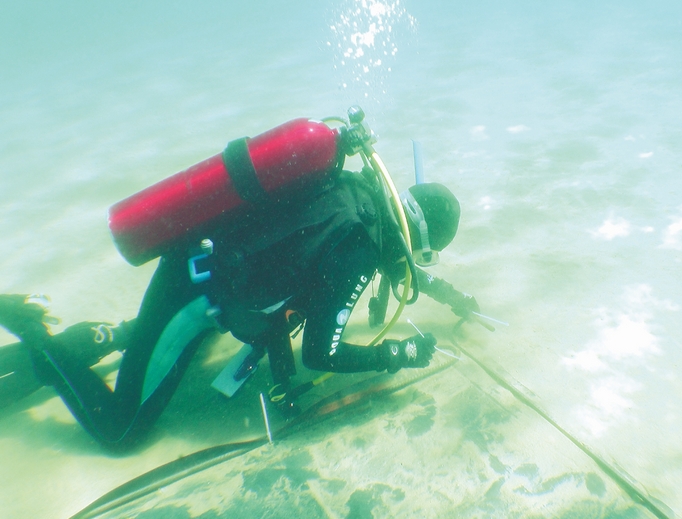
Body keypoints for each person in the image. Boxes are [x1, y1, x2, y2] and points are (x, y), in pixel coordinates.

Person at [0, 113, 479, 449]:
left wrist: (283, 374)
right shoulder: (359, 247)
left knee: (151, 344)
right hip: (195, 298)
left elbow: (288, 282)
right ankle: (32, 327)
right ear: (419, 242)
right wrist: (399, 355)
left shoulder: (354, 192)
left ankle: (116, 337)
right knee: (120, 431)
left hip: (201, 270)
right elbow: (323, 352)